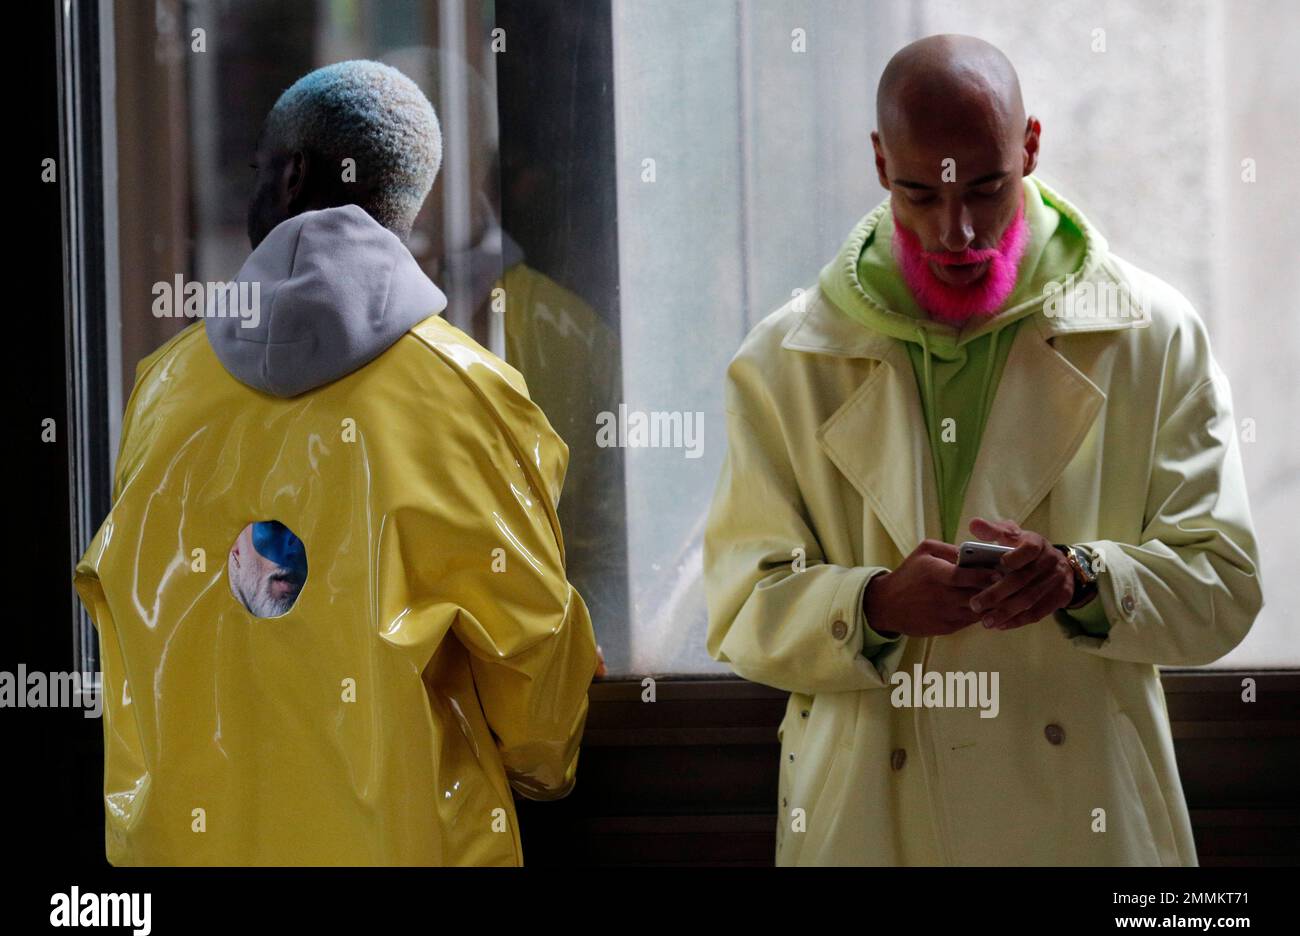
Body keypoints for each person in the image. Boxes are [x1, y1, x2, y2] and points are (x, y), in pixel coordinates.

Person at [703, 35, 1263, 866]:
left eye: (988, 188)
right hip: (867, 823)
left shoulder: (1153, 336)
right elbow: (740, 608)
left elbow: (1224, 586)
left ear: (1031, 145)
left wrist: (1082, 578)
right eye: (919, 192)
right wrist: (877, 604)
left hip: (1086, 820)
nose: (955, 232)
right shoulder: (785, 359)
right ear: (877, 161)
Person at [74, 59, 600, 865]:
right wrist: (546, 761)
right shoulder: (471, 396)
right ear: (410, 201)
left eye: (256, 169)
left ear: (288, 179)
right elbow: (535, 706)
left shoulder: (164, 387)